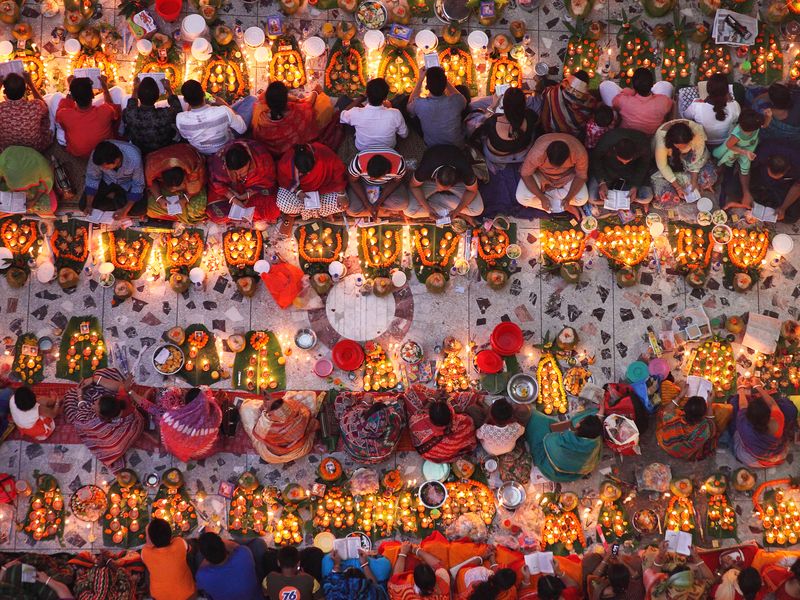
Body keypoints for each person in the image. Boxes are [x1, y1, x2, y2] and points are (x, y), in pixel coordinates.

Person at [62, 368, 145, 472]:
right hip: (128, 415)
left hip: (131, 426)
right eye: (96, 402)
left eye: (95, 407)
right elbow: (121, 386)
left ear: (103, 418)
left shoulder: (97, 424)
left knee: (70, 397)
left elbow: (80, 421)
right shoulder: (122, 399)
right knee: (101, 374)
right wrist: (94, 379)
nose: (93, 405)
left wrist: (79, 395)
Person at [517, 133, 589, 219]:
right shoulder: (538, 153)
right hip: (542, 175)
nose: (555, 169)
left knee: (583, 199)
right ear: (546, 154)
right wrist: (541, 197)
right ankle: (553, 202)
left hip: (566, 176)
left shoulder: (578, 152)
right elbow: (525, 174)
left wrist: (569, 198)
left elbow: (581, 176)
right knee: (521, 197)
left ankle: (559, 201)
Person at [141, 387, 222, 462]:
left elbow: (152, 408)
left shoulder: (173, 418)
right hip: (199, 449)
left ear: (186, 404)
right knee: (206, 388)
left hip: (178, 448)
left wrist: (131, 392)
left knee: (167, 395)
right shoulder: (215, 414)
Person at [730, 379, 798, 468]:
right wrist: (758, 387)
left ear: (748, 417)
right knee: (786, 404)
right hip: (776, 453)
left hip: (752, 457)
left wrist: (741, 388)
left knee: (734, 402)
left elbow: (742, 406)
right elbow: (772, 404)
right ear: (769, 414)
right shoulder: (777, 419)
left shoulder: (744, 423)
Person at [207, 139, 278, 223]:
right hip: (232, 191)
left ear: (249, 160)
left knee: (270, 210)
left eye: (243, 173)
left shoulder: (261, 158)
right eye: (234, 173)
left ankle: (245, 215)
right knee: (217, 214)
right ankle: (246, 216)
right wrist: (235, 199)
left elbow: (267, 184)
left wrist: (246, 196)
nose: (238, 176)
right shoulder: (219, 163)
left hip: (255, 191)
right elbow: (218, 185)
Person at [404, 385, 478, 463]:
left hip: (430, 454)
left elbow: (422, 411)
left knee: (411, 391)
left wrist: (433, 398)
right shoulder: (464, 423)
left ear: (429, 416)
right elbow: (459, 411)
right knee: (468, 397)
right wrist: (449, 397)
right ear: (450, 413)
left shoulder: (416, 422)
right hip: (447, 453)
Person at [525, 407, 603, 482]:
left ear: (578, 426)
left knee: (537, 423)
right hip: (573, 473)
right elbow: (597, 419)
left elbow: (549, 440)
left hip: (554, 471)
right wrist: (602, 408)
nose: (579, 421)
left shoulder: (566, 440)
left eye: (581, 421)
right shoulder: (595, 439)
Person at [407, 144, 483, 221]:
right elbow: (413, 186)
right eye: (440, 187)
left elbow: (472, 191)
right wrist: (428, 209)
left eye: (445, 188)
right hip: (430, 180)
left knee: (477, 209)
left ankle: (442, 206)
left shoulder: (466, 171)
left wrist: (457, 210)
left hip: (457, 179)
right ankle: (436, 206)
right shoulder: (425, 169)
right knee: (409, 211)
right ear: (435, 177)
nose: (441, 190)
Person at [240, 393, 320, 464]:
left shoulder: (266, 426)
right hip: (298, 449)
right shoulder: (299, 410)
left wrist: (264, 412)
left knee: (246, 408)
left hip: (271, 456)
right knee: (309, 395)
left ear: (269, 414)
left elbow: (259, 431)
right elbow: (306, 413)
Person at [276, 142, 348, 219]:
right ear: (295, 165)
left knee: (341, 204)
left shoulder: (322, 151)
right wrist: (297, 192)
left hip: (323, 190)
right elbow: (285, 181)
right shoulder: (286, 163)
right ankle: (311, 211)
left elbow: (338, 172)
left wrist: (341, 194)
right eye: (303, 172)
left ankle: (306, 211)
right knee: (283, 203)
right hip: (300, 195)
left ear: (314, 158)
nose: (309, 173)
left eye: (310, 170)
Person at [55, 75, 121, 159]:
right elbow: (113, 107)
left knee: (56, 97)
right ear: (93, 95)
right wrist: (105, 87)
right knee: (117, 91)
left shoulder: (64, 114)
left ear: (73, 98)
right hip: (104, 152)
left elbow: (61, 111)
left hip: (78, 153)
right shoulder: (106, 110)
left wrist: (71, 89)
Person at [175, 79, 247, 155]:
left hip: (201, 152)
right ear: (204, 94)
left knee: (231, 115)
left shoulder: (180, 119)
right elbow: (242, 129)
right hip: (224, 149)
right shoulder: (224, 110)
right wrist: (224, 104)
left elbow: (186, 136)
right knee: (250, 99)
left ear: (185, 100)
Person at [713, 109, 767, 209]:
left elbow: (765, 125)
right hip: (735, 150)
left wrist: (769, 116)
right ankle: (722, 176)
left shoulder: (756, 125)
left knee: (745, 168)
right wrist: (744, 152)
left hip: (748, 150)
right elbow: (729, 145)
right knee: (728, 165)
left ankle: (743, 191)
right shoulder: (737, 135)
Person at [651, 119, 716, 204]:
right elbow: (662, 166)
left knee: (708, 178)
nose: (682, 149)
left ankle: (687, 182)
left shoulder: (697, 133)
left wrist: (694, 179)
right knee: (668, 198)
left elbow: (698, 157)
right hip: (671, 162)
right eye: (678, 147)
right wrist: (677, 187)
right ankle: (680, 183)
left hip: (689, 160)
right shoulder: (662, 142)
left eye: (685, 145)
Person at [251, 81, 321, 157]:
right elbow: (308, 105)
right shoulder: (297, 114)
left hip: (267, 154)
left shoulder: (258, 111)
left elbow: (264, 95)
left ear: (267, 100)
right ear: (286, 100)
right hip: (290, 156)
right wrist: (315, 91)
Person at [334, 391, 406, 463]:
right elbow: (397, 420)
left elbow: (371, 409)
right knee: (397, 416)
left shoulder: (353, 414)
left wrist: (365, 402)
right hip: (365, 454)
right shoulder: (380, 444)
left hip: (350, 441)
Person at [589, 128, 654, 208]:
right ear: (614, 150)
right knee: (592, 198)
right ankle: (625, 201)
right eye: (621, 160)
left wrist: (635, 186)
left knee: (647, 198)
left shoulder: (643, 144)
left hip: (631, 170)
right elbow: (596, 159)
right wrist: (602, 182)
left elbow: (644, 165)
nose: (624, 163)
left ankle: (625, 200)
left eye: (628, 160)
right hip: (608, 168)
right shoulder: (607, 140)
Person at [144, 142, 207, 223]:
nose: (174, 190)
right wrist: (159, 198)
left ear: (184, 173)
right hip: (163, 187)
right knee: (149, 208)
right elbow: (150, 182)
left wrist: (185, 199)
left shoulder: (193, 165)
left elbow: (195, 186)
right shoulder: (152, 167)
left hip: (191, 183)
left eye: (180, 184)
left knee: (197, 210)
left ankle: (181, 216)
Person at [600, 67, 674, 135]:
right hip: (651, 135)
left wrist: (630, 92)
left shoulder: (624, 101)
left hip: (627, 134)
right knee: (666, 85)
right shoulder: (663, 101)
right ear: (652, 84)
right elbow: (671, 106)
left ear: (633, 86)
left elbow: (614, 102)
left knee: (605, 85)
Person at [82, 140, 146, 219]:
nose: (102, 168)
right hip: (107, 180)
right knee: (83, 205)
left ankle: (115, 198)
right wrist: (89, 205)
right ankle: (118, 201)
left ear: (117, 160)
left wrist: (125, 210)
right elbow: (92, 177)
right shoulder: (97, 155)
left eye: (106, 167)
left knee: (140, 209)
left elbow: (138, 185)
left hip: (126, 183)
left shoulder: (134, 158)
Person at [340, 78, 409, 151]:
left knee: (343, 100)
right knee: (400, 99)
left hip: (362, 149)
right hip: (388, 149)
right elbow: (404, 135)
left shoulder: (355, 113)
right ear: (385, 98)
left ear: (366, 94)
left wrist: (360, 98)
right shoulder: (395, 113)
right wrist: (389, 109)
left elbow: (342, 115)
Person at [479, 87, 539, 170]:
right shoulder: (530, 116)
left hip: (497, 158)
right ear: (524, 103)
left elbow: (479, 122)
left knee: (482, 136)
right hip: (522, 155)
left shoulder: (492, 121)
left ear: (503, 105)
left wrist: (493, 105)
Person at [408, 66, 467, 148]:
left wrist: (420, 80)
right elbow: (462, 98)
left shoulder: (419, 104)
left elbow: (409, 106)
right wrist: (443, 78)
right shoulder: (457, 100)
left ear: (427, 86)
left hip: (432, 147)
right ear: (445, 82)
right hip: (457, 147)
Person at [122, 75, 181, 156]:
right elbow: (177, 108)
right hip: (164, 147)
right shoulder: (165, 114)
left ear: (139, 96)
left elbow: (132, 103)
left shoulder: (130, 113)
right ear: (158, 96)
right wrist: (168, 89)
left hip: (141, 149)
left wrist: (135, 88)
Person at [656, 392, 724, 461]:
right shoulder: (704, 428)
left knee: (667, 415)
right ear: (704, 415)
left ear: (685, 409)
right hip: (688, 454)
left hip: (668, 445)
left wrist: (680, 396)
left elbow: (666, 411)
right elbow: (712, 424)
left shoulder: (674, 419)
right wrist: (709, 404)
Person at [140, 518, 196, 600]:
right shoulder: (179, 542)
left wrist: (148, 534)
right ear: (171, 534)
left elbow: (147, 545)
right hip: (188, 593)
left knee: (147, 569)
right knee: (190, 548)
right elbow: (189, 549)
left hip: (160, 597)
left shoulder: (145, 553)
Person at [196, 531, 262, 600]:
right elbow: (234, 546)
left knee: (198, 556)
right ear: (223, 545)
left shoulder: (202, 576)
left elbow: (201, 568)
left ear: (206, 558)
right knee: (258, 543)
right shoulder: (244, 553)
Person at [346, 147, 409, 218]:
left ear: (387, 171)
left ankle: (375, 206)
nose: (372, 179)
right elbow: (353, 181)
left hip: (386, 184)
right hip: (364, 183)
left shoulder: (399, 164)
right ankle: (380, 211)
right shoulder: (358, 162)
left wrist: (379, 202)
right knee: (352, 210)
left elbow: (395, 181)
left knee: (403, 204)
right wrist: (366, 203)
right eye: (370, 176)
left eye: (376, 177)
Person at [684, 74, 741, 147]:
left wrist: (697, 101)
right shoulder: (734, 105)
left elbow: (685, 116)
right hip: (726, 141)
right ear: (727, 91)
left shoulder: (696, 106)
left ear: (708, 89)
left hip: (704, 142)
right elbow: (736, 120)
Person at [0, 72, 52, 152]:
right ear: (25, 90)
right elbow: (46, 108)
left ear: (4, 92)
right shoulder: (36, 105)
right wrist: (31, 84)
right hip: (35, 147)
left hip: (8, 148)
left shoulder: (1, 108)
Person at [644, 542, 715, 600]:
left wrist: (660, 555)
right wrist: (696, 557)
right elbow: (710, 579)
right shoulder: (695, 592)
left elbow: (653, 575)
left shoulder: (659, 592)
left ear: (669, 578)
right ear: (692, 581)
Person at [0, 145, 56, 217]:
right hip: (10, 185)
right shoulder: (4, 159)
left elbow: (47, 182)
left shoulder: (42, 167)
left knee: (50, 206)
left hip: (34, 186)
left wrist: (34, 200)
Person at [539, 71, 598, 137]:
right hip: (570, 135)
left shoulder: (553, 92)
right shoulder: (589, 103)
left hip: (551, 129)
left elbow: (546, 93)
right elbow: (590, 110)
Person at [322, 547, 391, 599]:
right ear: (364, 580)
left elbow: (327, 584)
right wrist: (365, 565)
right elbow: (375, 586)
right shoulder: (374, 592)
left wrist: (336, 565)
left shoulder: (335, 595)